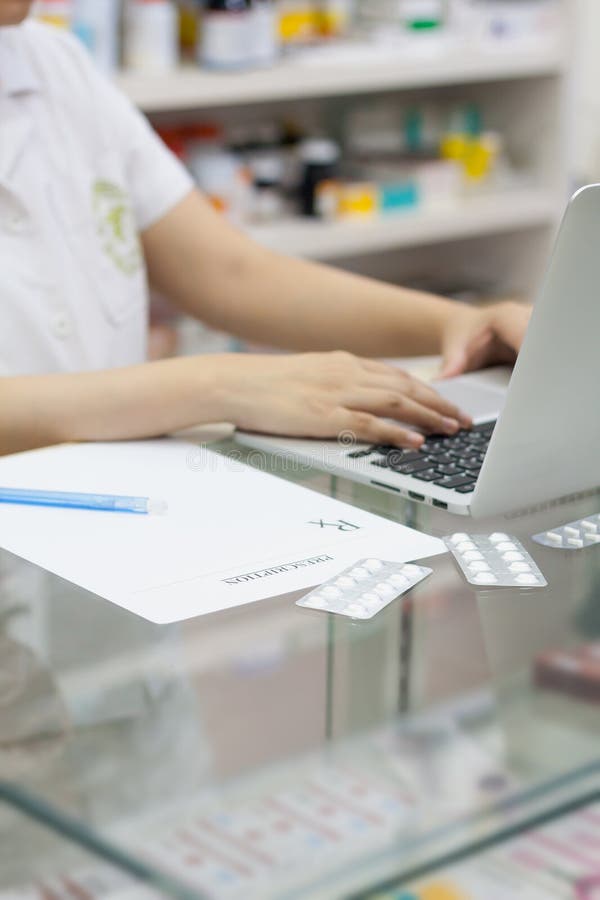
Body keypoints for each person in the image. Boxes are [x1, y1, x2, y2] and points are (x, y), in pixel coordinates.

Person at [0, 1, 530, 458]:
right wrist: (216, 385)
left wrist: (462, 325)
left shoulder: (52, 62)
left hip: (99, 502)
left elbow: (230, 273)